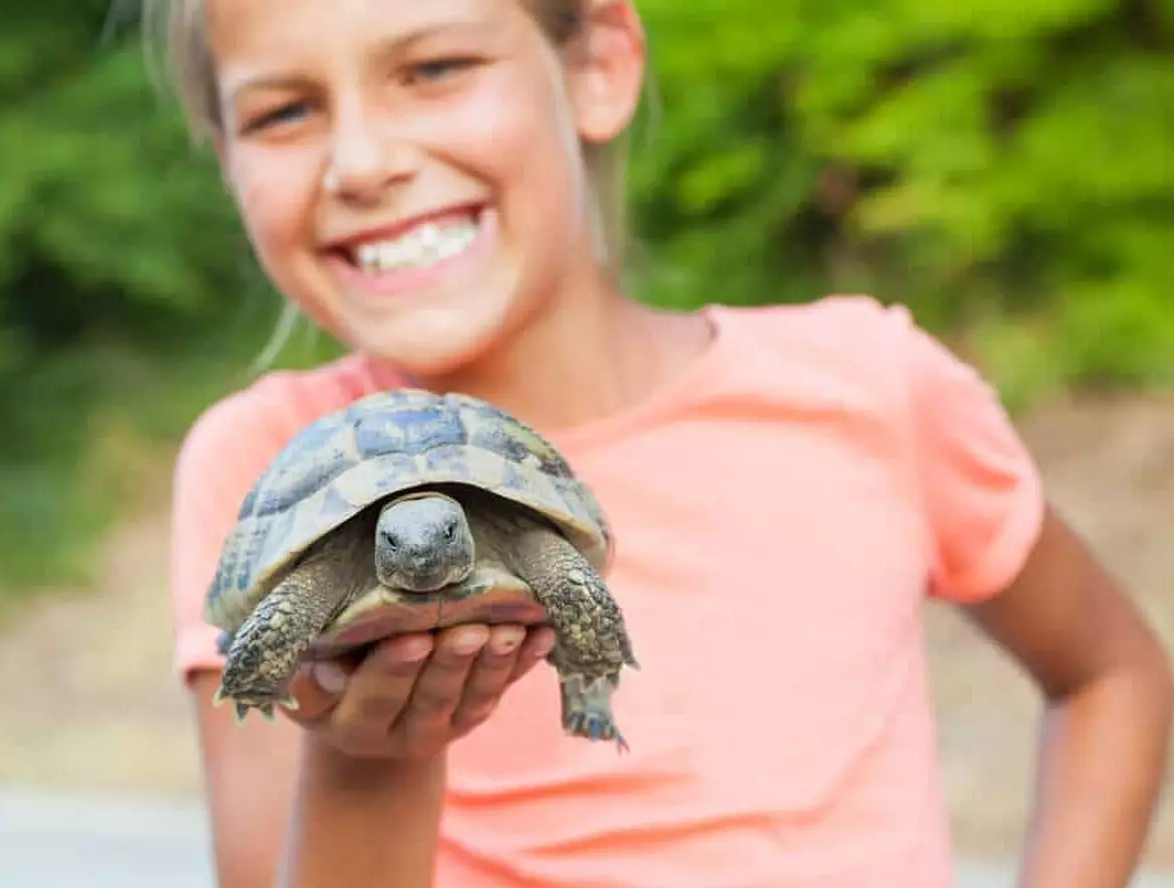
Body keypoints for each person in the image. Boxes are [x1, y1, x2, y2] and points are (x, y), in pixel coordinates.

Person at [153, 0, 1173, 885]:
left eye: (435, 68)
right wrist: (369, 756)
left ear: (596, 64)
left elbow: (1112, 674)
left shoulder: (868, 389)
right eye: (285, 110)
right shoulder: (260, 459)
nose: (364, 162)